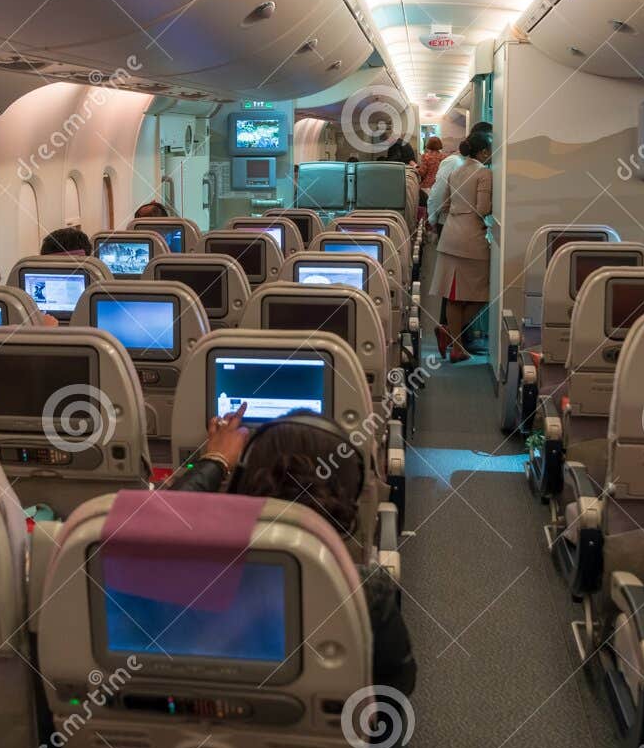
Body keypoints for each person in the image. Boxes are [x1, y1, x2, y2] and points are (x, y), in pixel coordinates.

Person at [172, 405, 416, 696]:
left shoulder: (197, 572)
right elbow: (395, 693)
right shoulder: (363, 590)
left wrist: (215, 460)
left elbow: (150, 527)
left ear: (242, 482)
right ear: (348, 493)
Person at [429, 133, 493, 362]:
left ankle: (456, 345)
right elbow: (483, 208)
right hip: (471, 240)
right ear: (484, 152)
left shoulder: (455, 171)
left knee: (454, 295)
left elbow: (444, 203)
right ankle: (450, 335)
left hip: (450, 237)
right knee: (484, 292)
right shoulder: (484, 173)